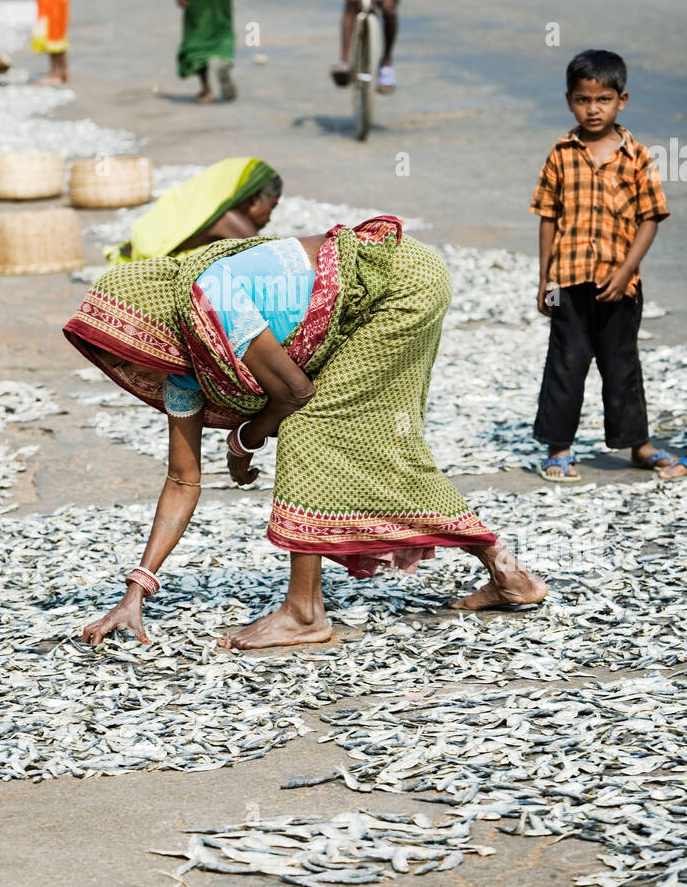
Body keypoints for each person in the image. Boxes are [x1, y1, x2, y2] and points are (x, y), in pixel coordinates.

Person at [66, 216, 547, 650]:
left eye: (121, 350)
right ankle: (510, 576)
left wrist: (243, 440)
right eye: (113, 362)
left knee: (307, 429)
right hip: (376, 300)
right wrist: (136, 592)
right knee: (366, 446)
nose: (129, 369)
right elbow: (182, 481)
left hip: (402, 282)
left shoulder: (213, 298)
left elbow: (295, 393)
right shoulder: (182, 373)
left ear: (143, 322)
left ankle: (303, 612)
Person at [531, 49, 684, 483]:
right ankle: (558, 447)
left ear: (623, 100)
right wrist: (545, 280)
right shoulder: (561, 154)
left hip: (620, 285)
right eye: (583, 100)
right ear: (569, 100)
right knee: (566, 363)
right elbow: (547, 216)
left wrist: (626, 271)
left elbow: (650, 218)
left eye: (603, 100)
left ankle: (638, 444)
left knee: (622, 366)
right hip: (568, 280)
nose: (593, 109)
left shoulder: (636, 155)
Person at [107, 158, 283, 262]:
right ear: (253, 199)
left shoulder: (199, 208)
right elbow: (267, 259)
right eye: (272, 207)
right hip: (142, 265)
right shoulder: (227, 219)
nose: (270, 218)